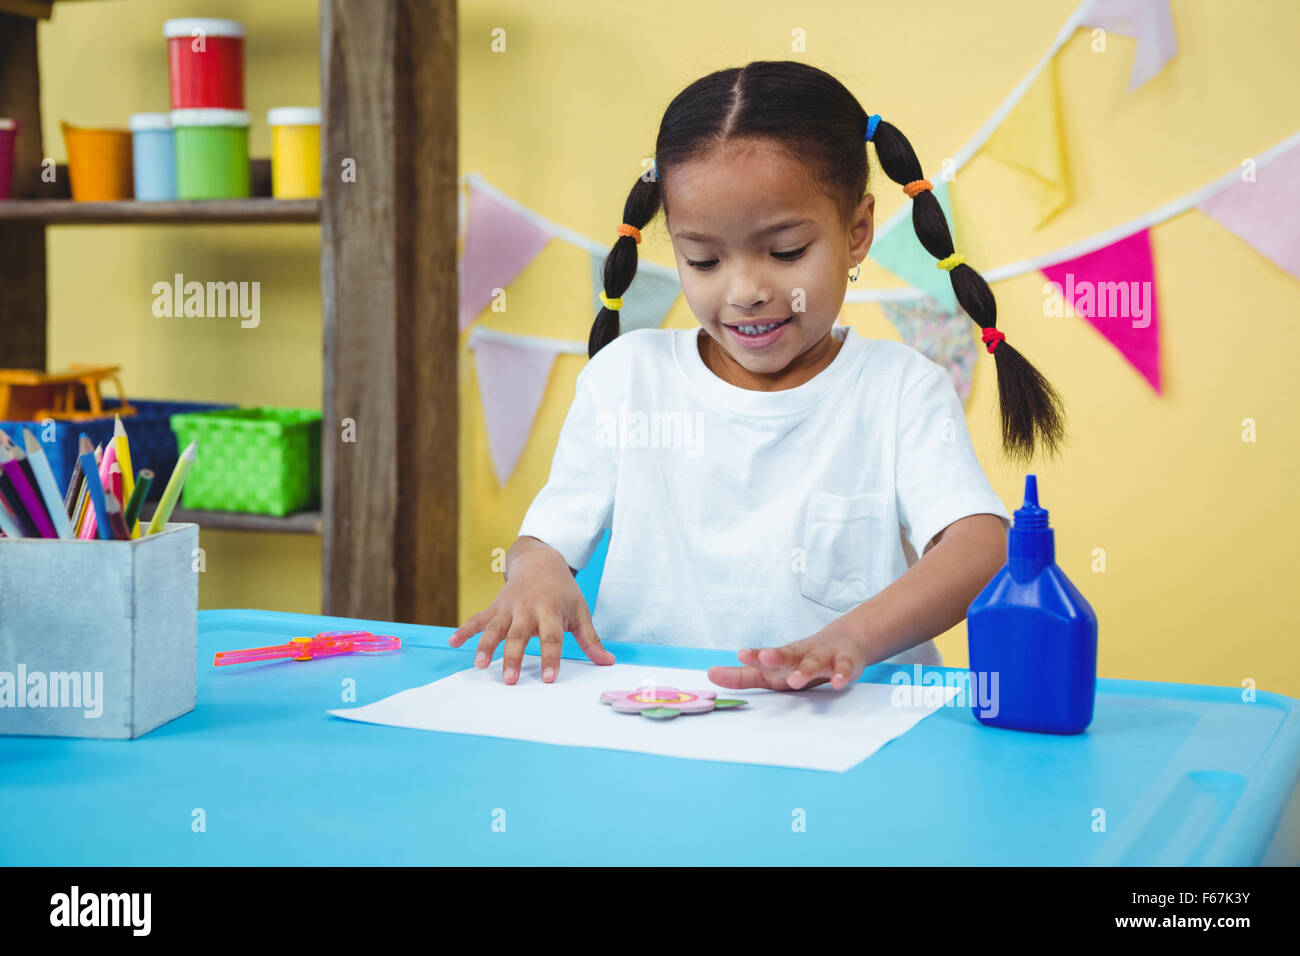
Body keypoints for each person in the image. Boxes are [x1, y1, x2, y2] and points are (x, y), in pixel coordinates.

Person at [450, 60, 1065, 690]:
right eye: (705, 259)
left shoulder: (900, 389)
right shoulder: (626, 381)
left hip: (844, 733)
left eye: (786, 252)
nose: (745, 291)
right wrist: (538, 575)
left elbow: (980, 546)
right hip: (654, 728)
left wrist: (853, 635)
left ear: (857, 232)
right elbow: (543, 541)